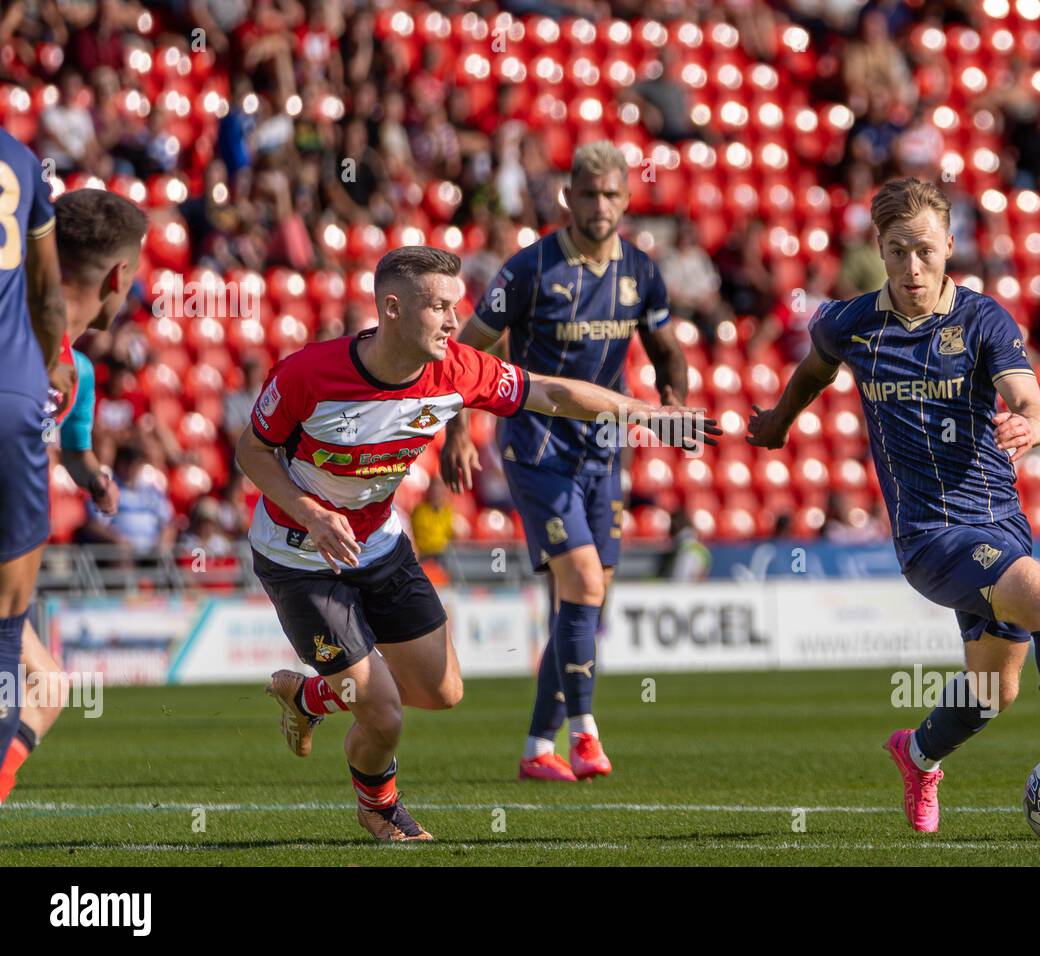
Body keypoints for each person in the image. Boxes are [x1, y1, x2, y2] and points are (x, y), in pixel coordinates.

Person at [236, 246, 713, 841]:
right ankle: (381, 810)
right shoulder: (308, 373)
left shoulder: (459, 369)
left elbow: (555, 394)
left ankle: (308, 697)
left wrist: (642, 412)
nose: (453, 321)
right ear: (391, 308)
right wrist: (309, 513)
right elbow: (250, 451)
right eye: (437, 307)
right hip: (298, 555)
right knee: (381, 710)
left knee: (440, 692)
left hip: (378, 544)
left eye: (453, 307)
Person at [747, 177, 1040, 833]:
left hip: (1001, 526)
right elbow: (813, 369)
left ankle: (916, 756)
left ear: (948, 243)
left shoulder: (982, 319)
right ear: (878, 251)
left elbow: (1032, 403)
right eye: (895, 252)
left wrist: (1031, 424)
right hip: (929, 539)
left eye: (923, 250)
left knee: (992, 694)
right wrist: (778, 422)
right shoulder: (849, 325)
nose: (912, 267)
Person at [440, 141, 692, 784]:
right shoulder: (530, 270)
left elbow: (665, 349)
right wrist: (458, 431)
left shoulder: (641, 271)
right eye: (588, 193)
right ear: (567, 197)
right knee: (582, 582)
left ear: (627, 199)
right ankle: (585, 735)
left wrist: (675, 403)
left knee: (586, 599)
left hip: (604, 449)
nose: (600, 205)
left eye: (611, 194)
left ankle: (535, 748)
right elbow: (465, 349)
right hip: (535, 445)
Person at [0, 188, 146, 804]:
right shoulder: (16, 343)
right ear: (119, 276)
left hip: (15, 548)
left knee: (48, 687)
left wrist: (94, 480)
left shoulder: (76, 374)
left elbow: (75, 451)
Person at [0, 128, 67, 769]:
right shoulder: (20, 159)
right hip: (13, 398)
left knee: (46, 686)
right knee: (22, 658)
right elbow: (48, 299)